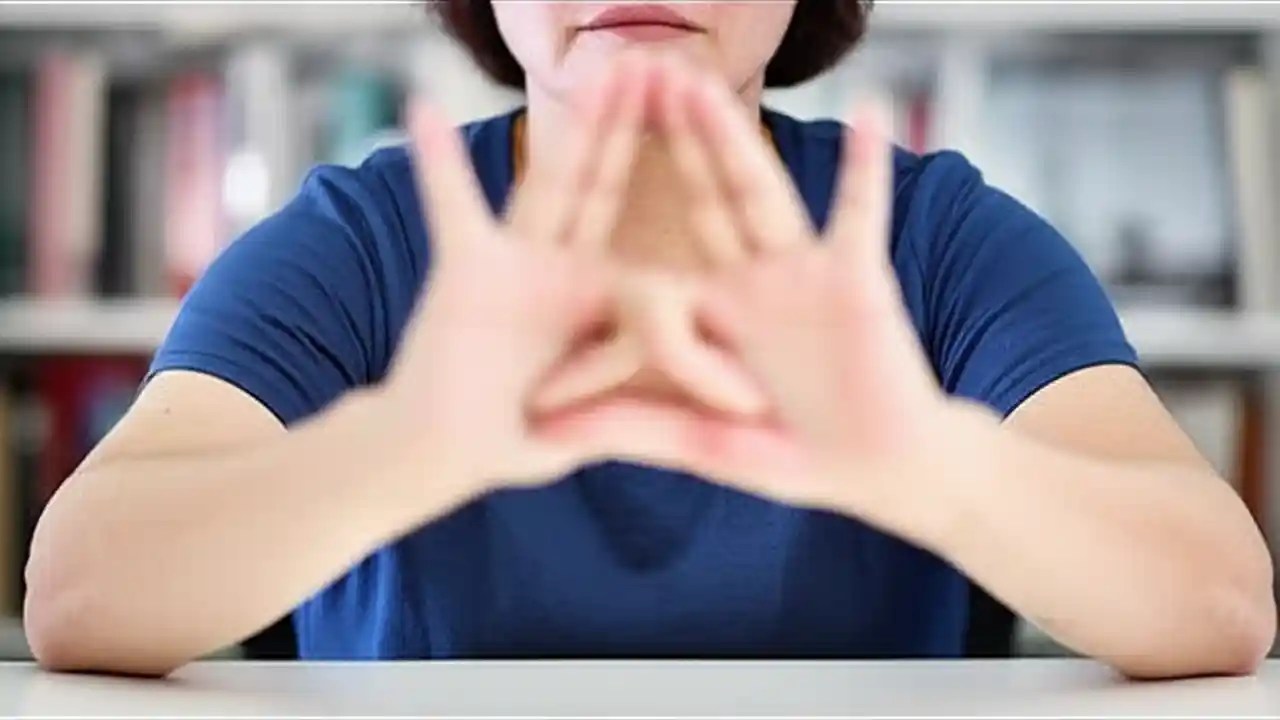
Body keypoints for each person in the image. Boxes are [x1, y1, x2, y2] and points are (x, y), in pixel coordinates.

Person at [23, 1, 1274, 679]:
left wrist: (917, 459)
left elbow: (1215, 601)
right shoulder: (352, 243)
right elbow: (80, 594)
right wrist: (410, 443)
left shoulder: (941, 240)